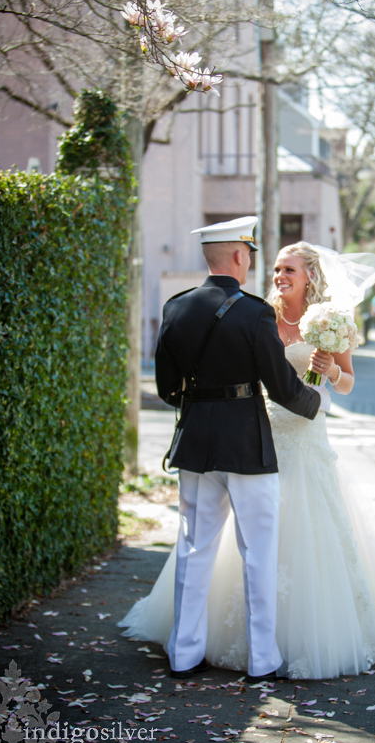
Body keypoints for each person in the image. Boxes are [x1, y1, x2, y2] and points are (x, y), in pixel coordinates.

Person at [119, 241, 375, 680]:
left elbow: (344, 384)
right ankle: (251, 651)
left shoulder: (329, 321)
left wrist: (331, 372)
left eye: (290, 270)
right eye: (278, 268)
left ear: (310, 276)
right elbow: (266, 382)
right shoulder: (254, 311)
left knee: (257, 540)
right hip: (256, 434)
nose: (280, 276)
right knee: (246, 546)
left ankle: (241, 644)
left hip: (300, 436)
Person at [122, 219, 325, 680]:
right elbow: (282, 389)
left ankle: (184, 653)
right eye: (249, 254)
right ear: (238, 256)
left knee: (194, 547)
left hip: (195, 445)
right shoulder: (254, 313)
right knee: (258, 552)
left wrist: (202, 407)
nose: (251, 261)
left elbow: (168, 388)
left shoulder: (175, 308)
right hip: (248, 448)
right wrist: (315, 401)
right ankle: (262, 659)